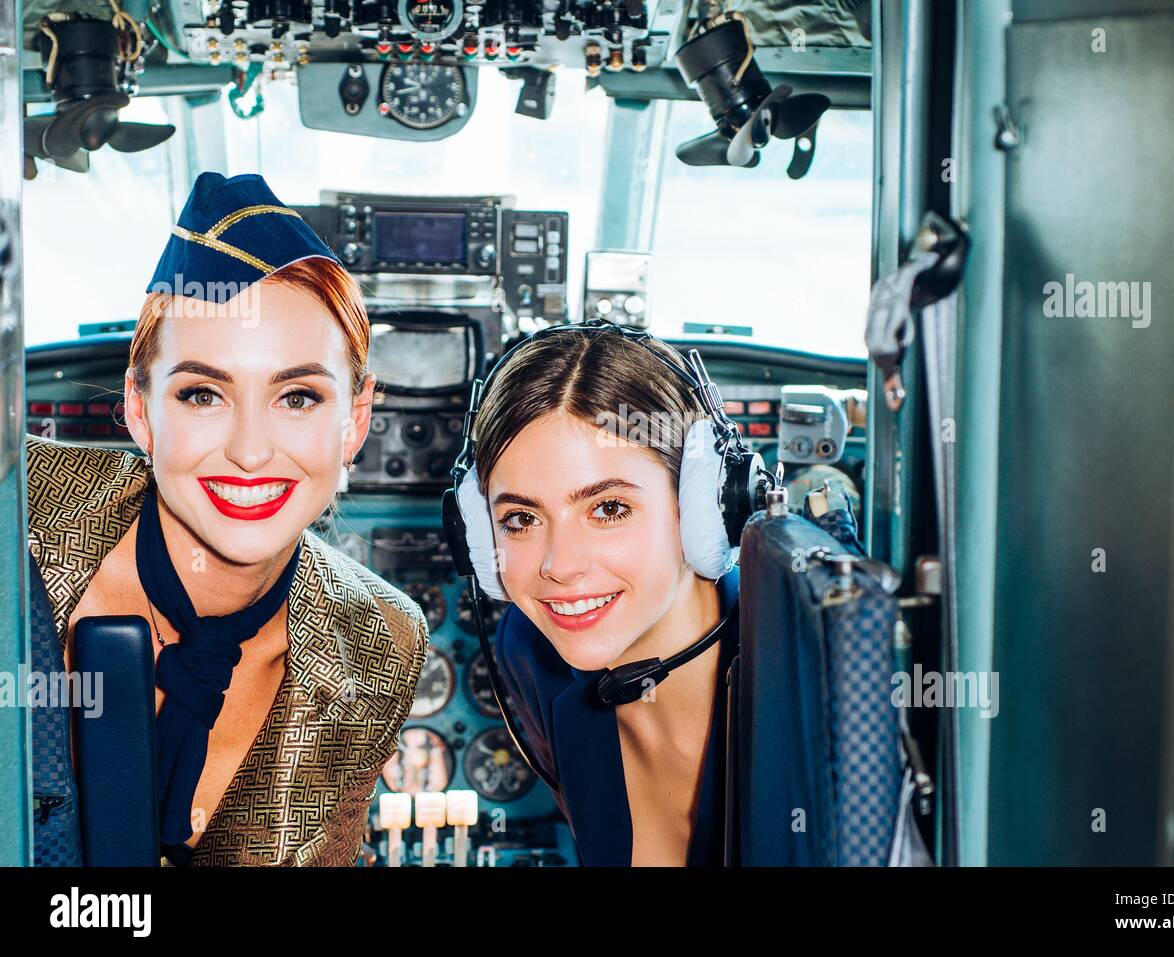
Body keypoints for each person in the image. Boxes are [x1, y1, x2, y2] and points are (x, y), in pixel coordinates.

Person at [25, 171, 427, 866]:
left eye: (297, 397)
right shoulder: (16, 503)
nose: (248, 451)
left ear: (355, 420)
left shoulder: (381, 643)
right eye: (203, 393)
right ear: (142, 409)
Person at [463, 325, 745, 866]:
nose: (560, 567)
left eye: (608, 509)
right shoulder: (530, 655)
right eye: (521, 519)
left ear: (704, 508)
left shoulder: (804, 683)